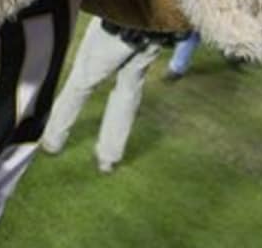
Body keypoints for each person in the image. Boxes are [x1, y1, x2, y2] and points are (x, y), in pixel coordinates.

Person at [40, 16, 185, 172]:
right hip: (157, 35)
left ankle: (52, 139)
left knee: (82, 80)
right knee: (127, 93)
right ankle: (108, 157)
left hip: (120, 26)